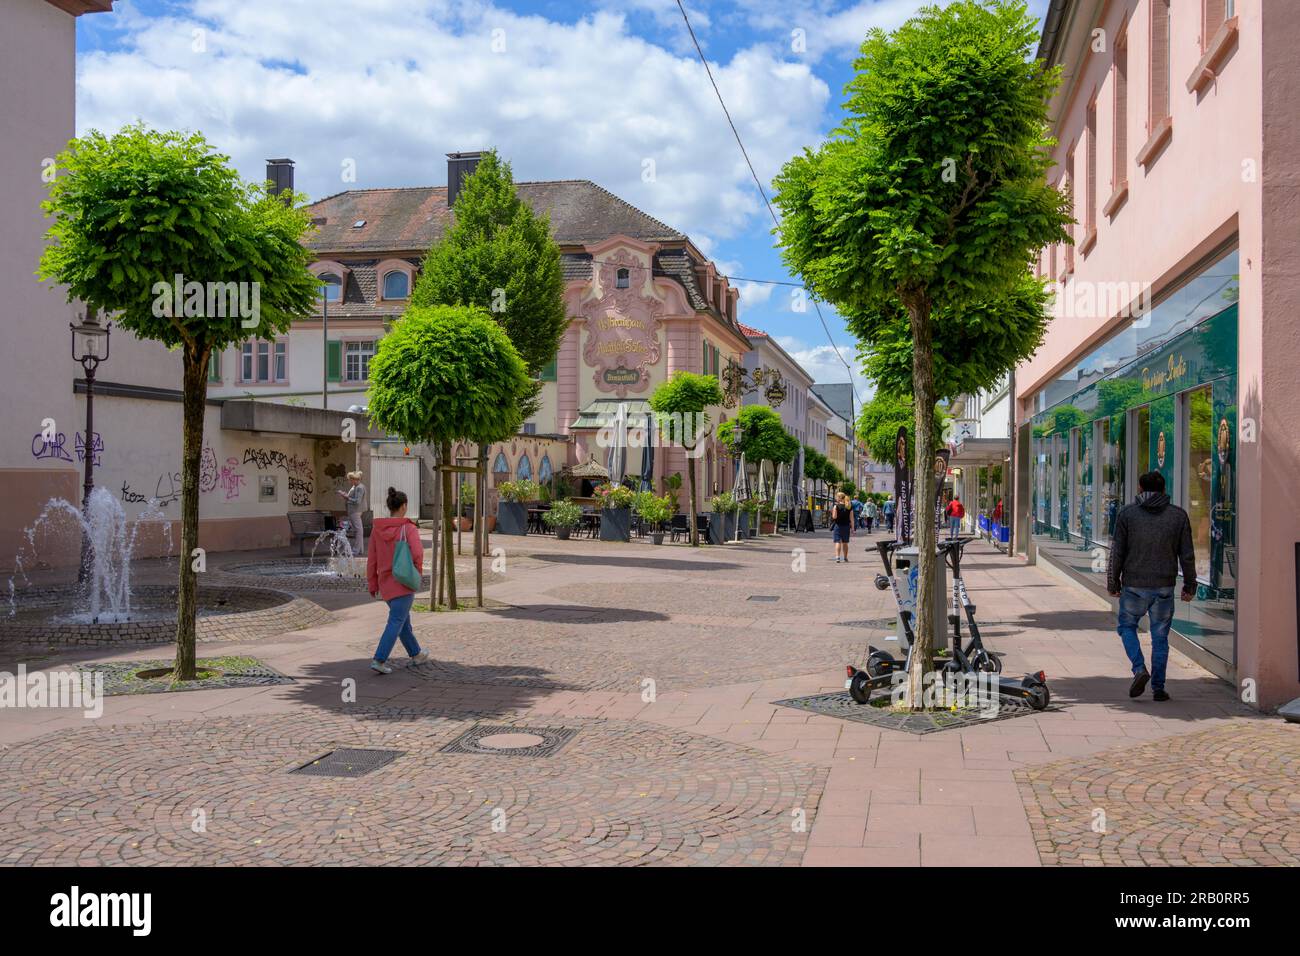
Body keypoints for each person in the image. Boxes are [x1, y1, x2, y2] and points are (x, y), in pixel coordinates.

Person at [1106, 471, 1196, 702]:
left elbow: (1118, 551)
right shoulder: (1178, 516)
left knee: (1127, 627)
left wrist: (1113, 582)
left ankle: (1139, 668)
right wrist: (1190, 585)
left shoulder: (1127, 514)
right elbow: (1187, 554)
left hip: (1134, 584)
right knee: (1160, 637)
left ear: (1139, 488)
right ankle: (1158, 688)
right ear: (1164, 489)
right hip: (1164, 586)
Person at [365, 487, 429, 675]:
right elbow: (418, 553)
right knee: (396, 621)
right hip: (403, 582)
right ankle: (379, 659)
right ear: (403, 506)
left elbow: (372, 560)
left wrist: (373, 583)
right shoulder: (408, 528)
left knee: (403, 621)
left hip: (386, 584)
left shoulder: (377, 529)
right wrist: (416, 571)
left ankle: (416, 654)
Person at [337, 470, 367, 557]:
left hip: (355, 511)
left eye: (350, 479)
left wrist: (346, 497)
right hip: (353, 511)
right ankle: (360, 549)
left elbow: (357, 501)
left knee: (358, 530)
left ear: (354, 479)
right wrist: (346, 496)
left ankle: (356, 550)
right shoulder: (355, 487)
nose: (349, 481)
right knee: (358, 530)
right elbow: (352, 498)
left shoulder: (359, 487)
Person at [831, 491, 853, 563]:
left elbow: (834, 517)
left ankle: (837, 557)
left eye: (837, 497)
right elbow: (852, 519)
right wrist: (852, 528)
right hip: (846, 526)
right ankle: (845, 558)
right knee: (845, 542)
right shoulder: (849, 506)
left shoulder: (836, 506)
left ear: (839, 498)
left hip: (838, 526)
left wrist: (833, 512)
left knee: (838, 541)